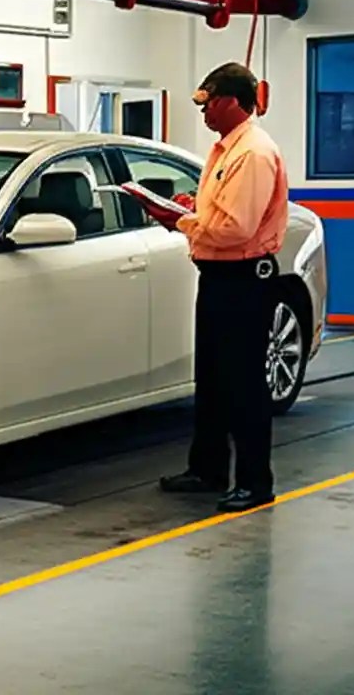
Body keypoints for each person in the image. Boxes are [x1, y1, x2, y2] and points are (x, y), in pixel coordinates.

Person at [144, 62, 290, 512]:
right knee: (212, 378)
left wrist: (181, 221)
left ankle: (254, 482)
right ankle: (207, 469)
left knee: (243, 383)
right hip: (218, 276)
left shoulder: (252, 153)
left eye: (208, 103)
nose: (204, 112)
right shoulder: (226, 149)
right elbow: (222, 214)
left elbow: (236, 228)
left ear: (230, 101)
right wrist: (192, 209)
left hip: (242, 280)